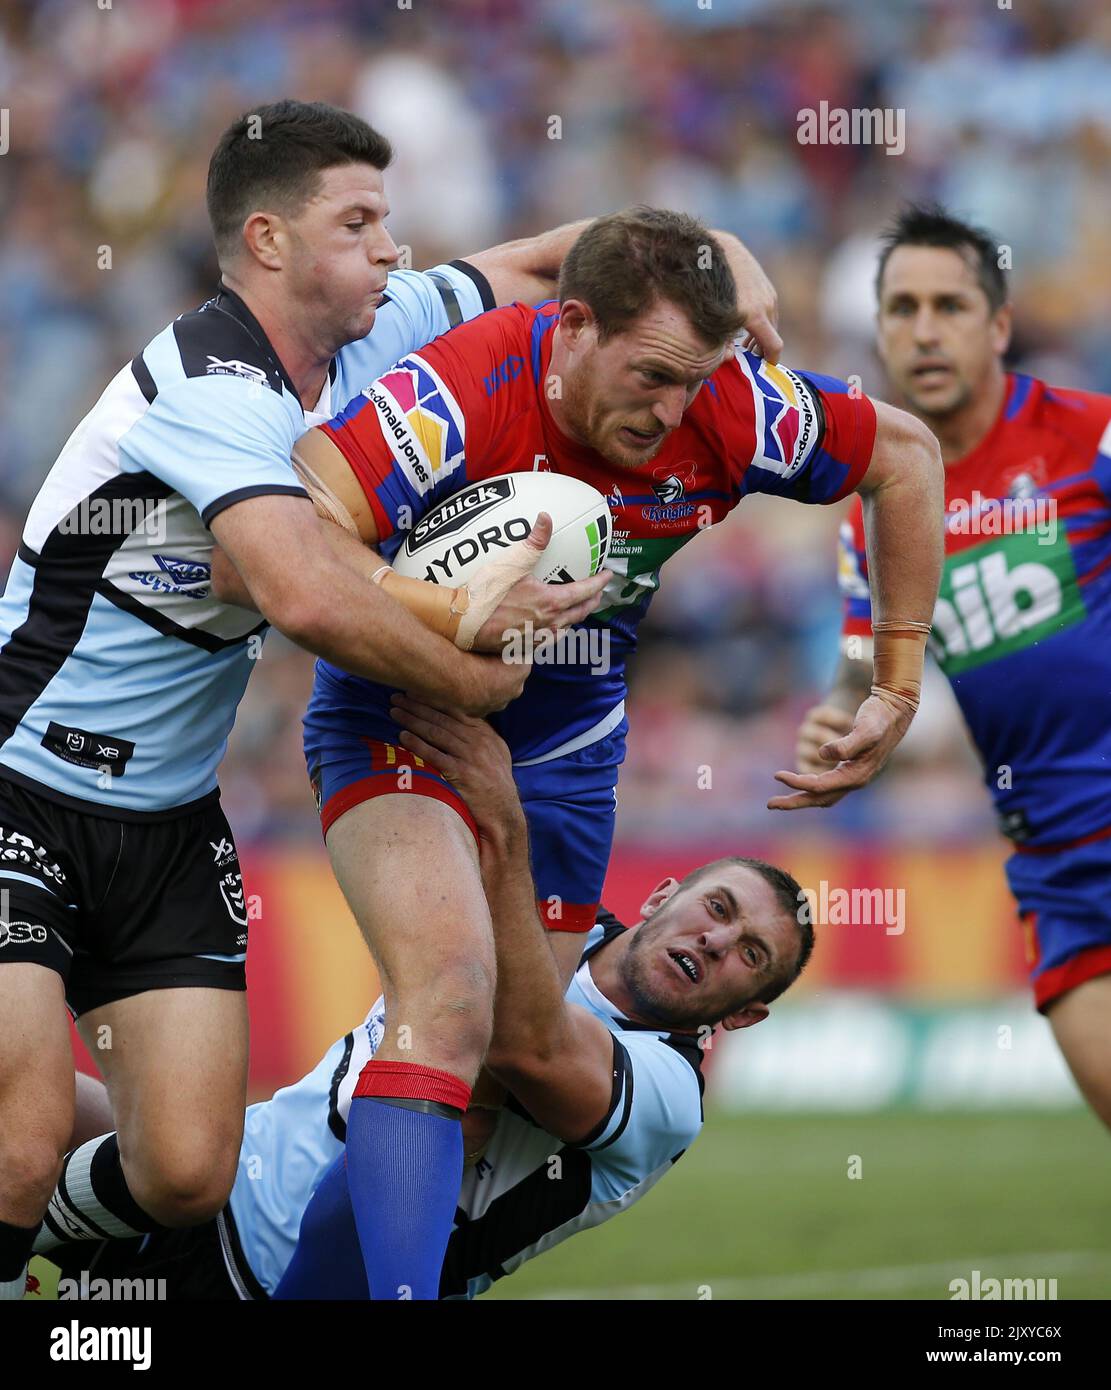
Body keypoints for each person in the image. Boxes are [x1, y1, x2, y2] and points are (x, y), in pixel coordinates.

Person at [0, 96, 673, 1301]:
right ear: (269, 242)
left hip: (163, 821)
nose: (391, 248)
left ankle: (68, 1256)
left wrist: (708, 261)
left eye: (390, 219)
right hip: (24, 778)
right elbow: (305, 594)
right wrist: (480, 668)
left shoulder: (383, 328)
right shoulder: (210, 383)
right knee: (20, 1131)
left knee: (188, 1172)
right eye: (357, 222)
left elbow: (544, 263)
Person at [258, 206, 943, 1299]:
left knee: (495, 1070)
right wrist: (445, 612)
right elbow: (297, 530)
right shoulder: (459, 392)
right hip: (406, 712)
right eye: (653, 376)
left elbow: (904, 458)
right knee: (452, 1001)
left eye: (694, 380)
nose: (673, 411)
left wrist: (895, 682)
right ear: (571, 325)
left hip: (568, 751)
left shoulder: (728, 403)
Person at [38, 704, 812, 1301]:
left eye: (750, 954)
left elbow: (520, 1043)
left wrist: (507, 824)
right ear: (665, 894)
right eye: (718, 909)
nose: (717, 941)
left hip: (282, 1279)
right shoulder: (548, 923)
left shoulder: (668, 1094)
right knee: (28, 1099)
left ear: (741, 1015)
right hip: (224, 1174)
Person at [795, 202, 1111, 1131]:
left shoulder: (1086, 440)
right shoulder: (877, 514)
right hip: (1054, 864)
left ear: (999, 325)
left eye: (949, 305)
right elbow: (866, 672)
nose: (923, 330)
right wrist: (837, 720)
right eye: (900, 309)